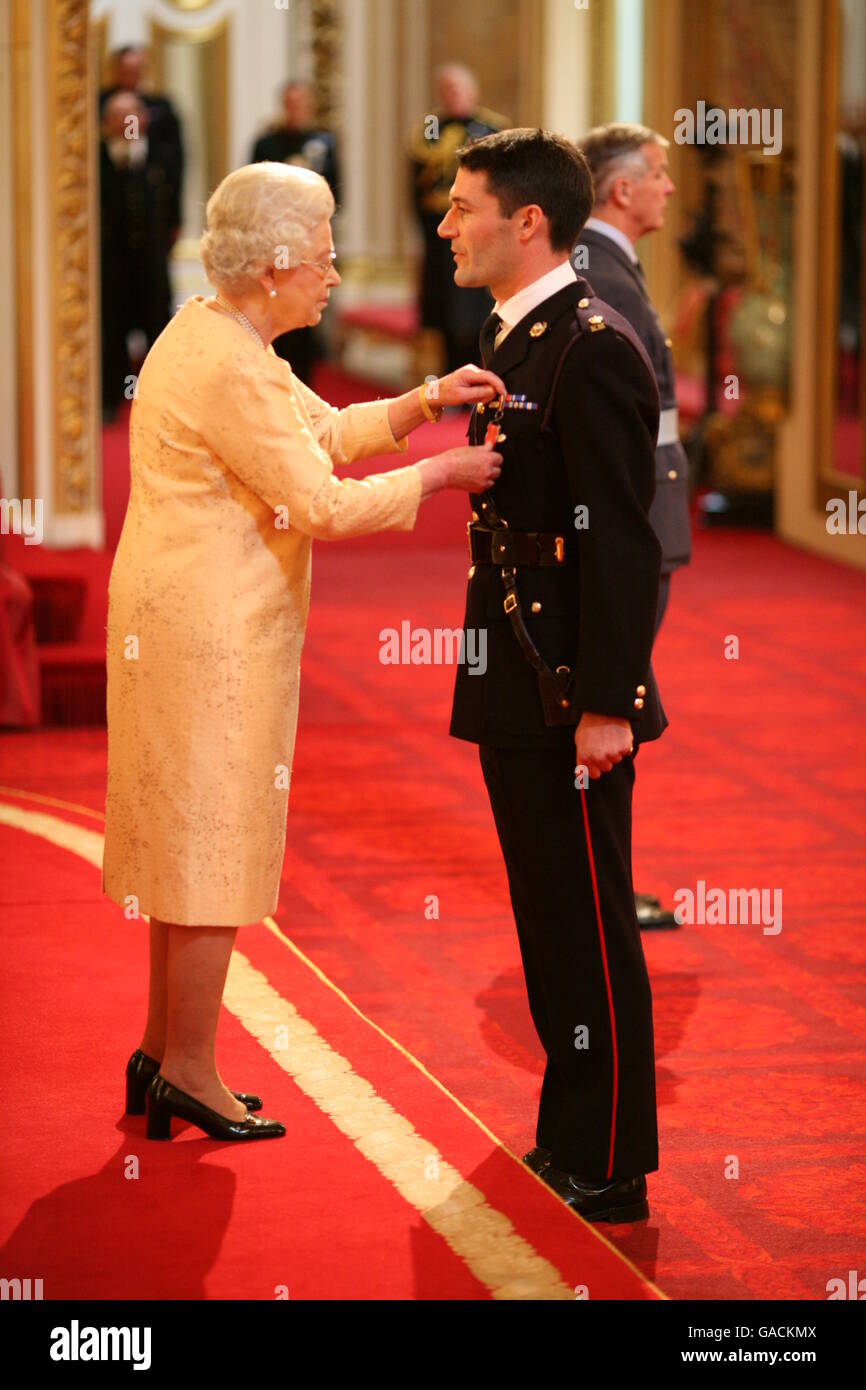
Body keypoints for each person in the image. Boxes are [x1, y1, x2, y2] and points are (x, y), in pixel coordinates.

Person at [102, 162, 505, 1144]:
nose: (332, 275)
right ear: (274, 263)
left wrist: (423, 400)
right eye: (322, 259)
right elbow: (317, 502)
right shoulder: (229, 359)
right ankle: (190, 1066)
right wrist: (445, 472)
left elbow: (319, 433)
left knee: (184, 835)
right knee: (209, 844)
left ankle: (163, 1052)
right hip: (207, 630)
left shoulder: (219, 332)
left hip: (185, 612)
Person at [441, 129, 665, 1222]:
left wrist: (602, 704)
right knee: (546, 918)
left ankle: (611, 1156)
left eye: (460, 205)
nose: (444, 225)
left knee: (585, 923)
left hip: (568, 682)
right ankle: (570, 1130)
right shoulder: (516, 337)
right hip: (515, 669)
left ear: (525, 221)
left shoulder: (588, 345)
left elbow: (621, 544)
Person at [575, 123, 691, 931]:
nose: (669, 188)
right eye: (658, 174)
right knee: (611, 712)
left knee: (616, 710)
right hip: (633, 524)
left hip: (647, 519)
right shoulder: (602, 272)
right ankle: (601, 891)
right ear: (621, 189)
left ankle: (605, 886)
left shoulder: (612, 265)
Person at [408, 65, 508, 373]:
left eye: (460, 89)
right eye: (448, 90)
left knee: (475, 310)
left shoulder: (491, 128)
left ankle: (478, 375)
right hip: (441, 236)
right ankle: (449, 377)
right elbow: (416, 185)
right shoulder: (430, 128)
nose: (454, 96)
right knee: (444, 313)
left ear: (473, 92)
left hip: (479, 235)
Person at [250, 81, 341, 383]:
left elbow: (337, 194)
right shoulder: (267, 144)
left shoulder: (325, 142)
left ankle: (304, 384)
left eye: (301, 103)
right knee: (279, 302)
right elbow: (253, 191)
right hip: (277, 242)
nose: (295, 109)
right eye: (290, 103)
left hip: (311, 243)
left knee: (308, 306)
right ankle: (274, 376)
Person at [99, 92, 175, 418]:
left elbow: (170, 206)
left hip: (152, 263)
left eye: (132, 115)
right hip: (114, 264)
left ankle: (160, 401)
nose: (127, 122)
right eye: (119, 116)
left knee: (157, 332)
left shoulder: (158, 155)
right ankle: (110, 401)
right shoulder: (97, 159)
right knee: (113, 333)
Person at [99, 45, 184, 242]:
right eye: (126, 70)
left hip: (151, 215)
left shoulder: (161, 108)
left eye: (137, 70)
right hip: (111, 219)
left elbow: (175, 164)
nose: (132, 76)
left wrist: (175, 215)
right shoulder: (98, 103)